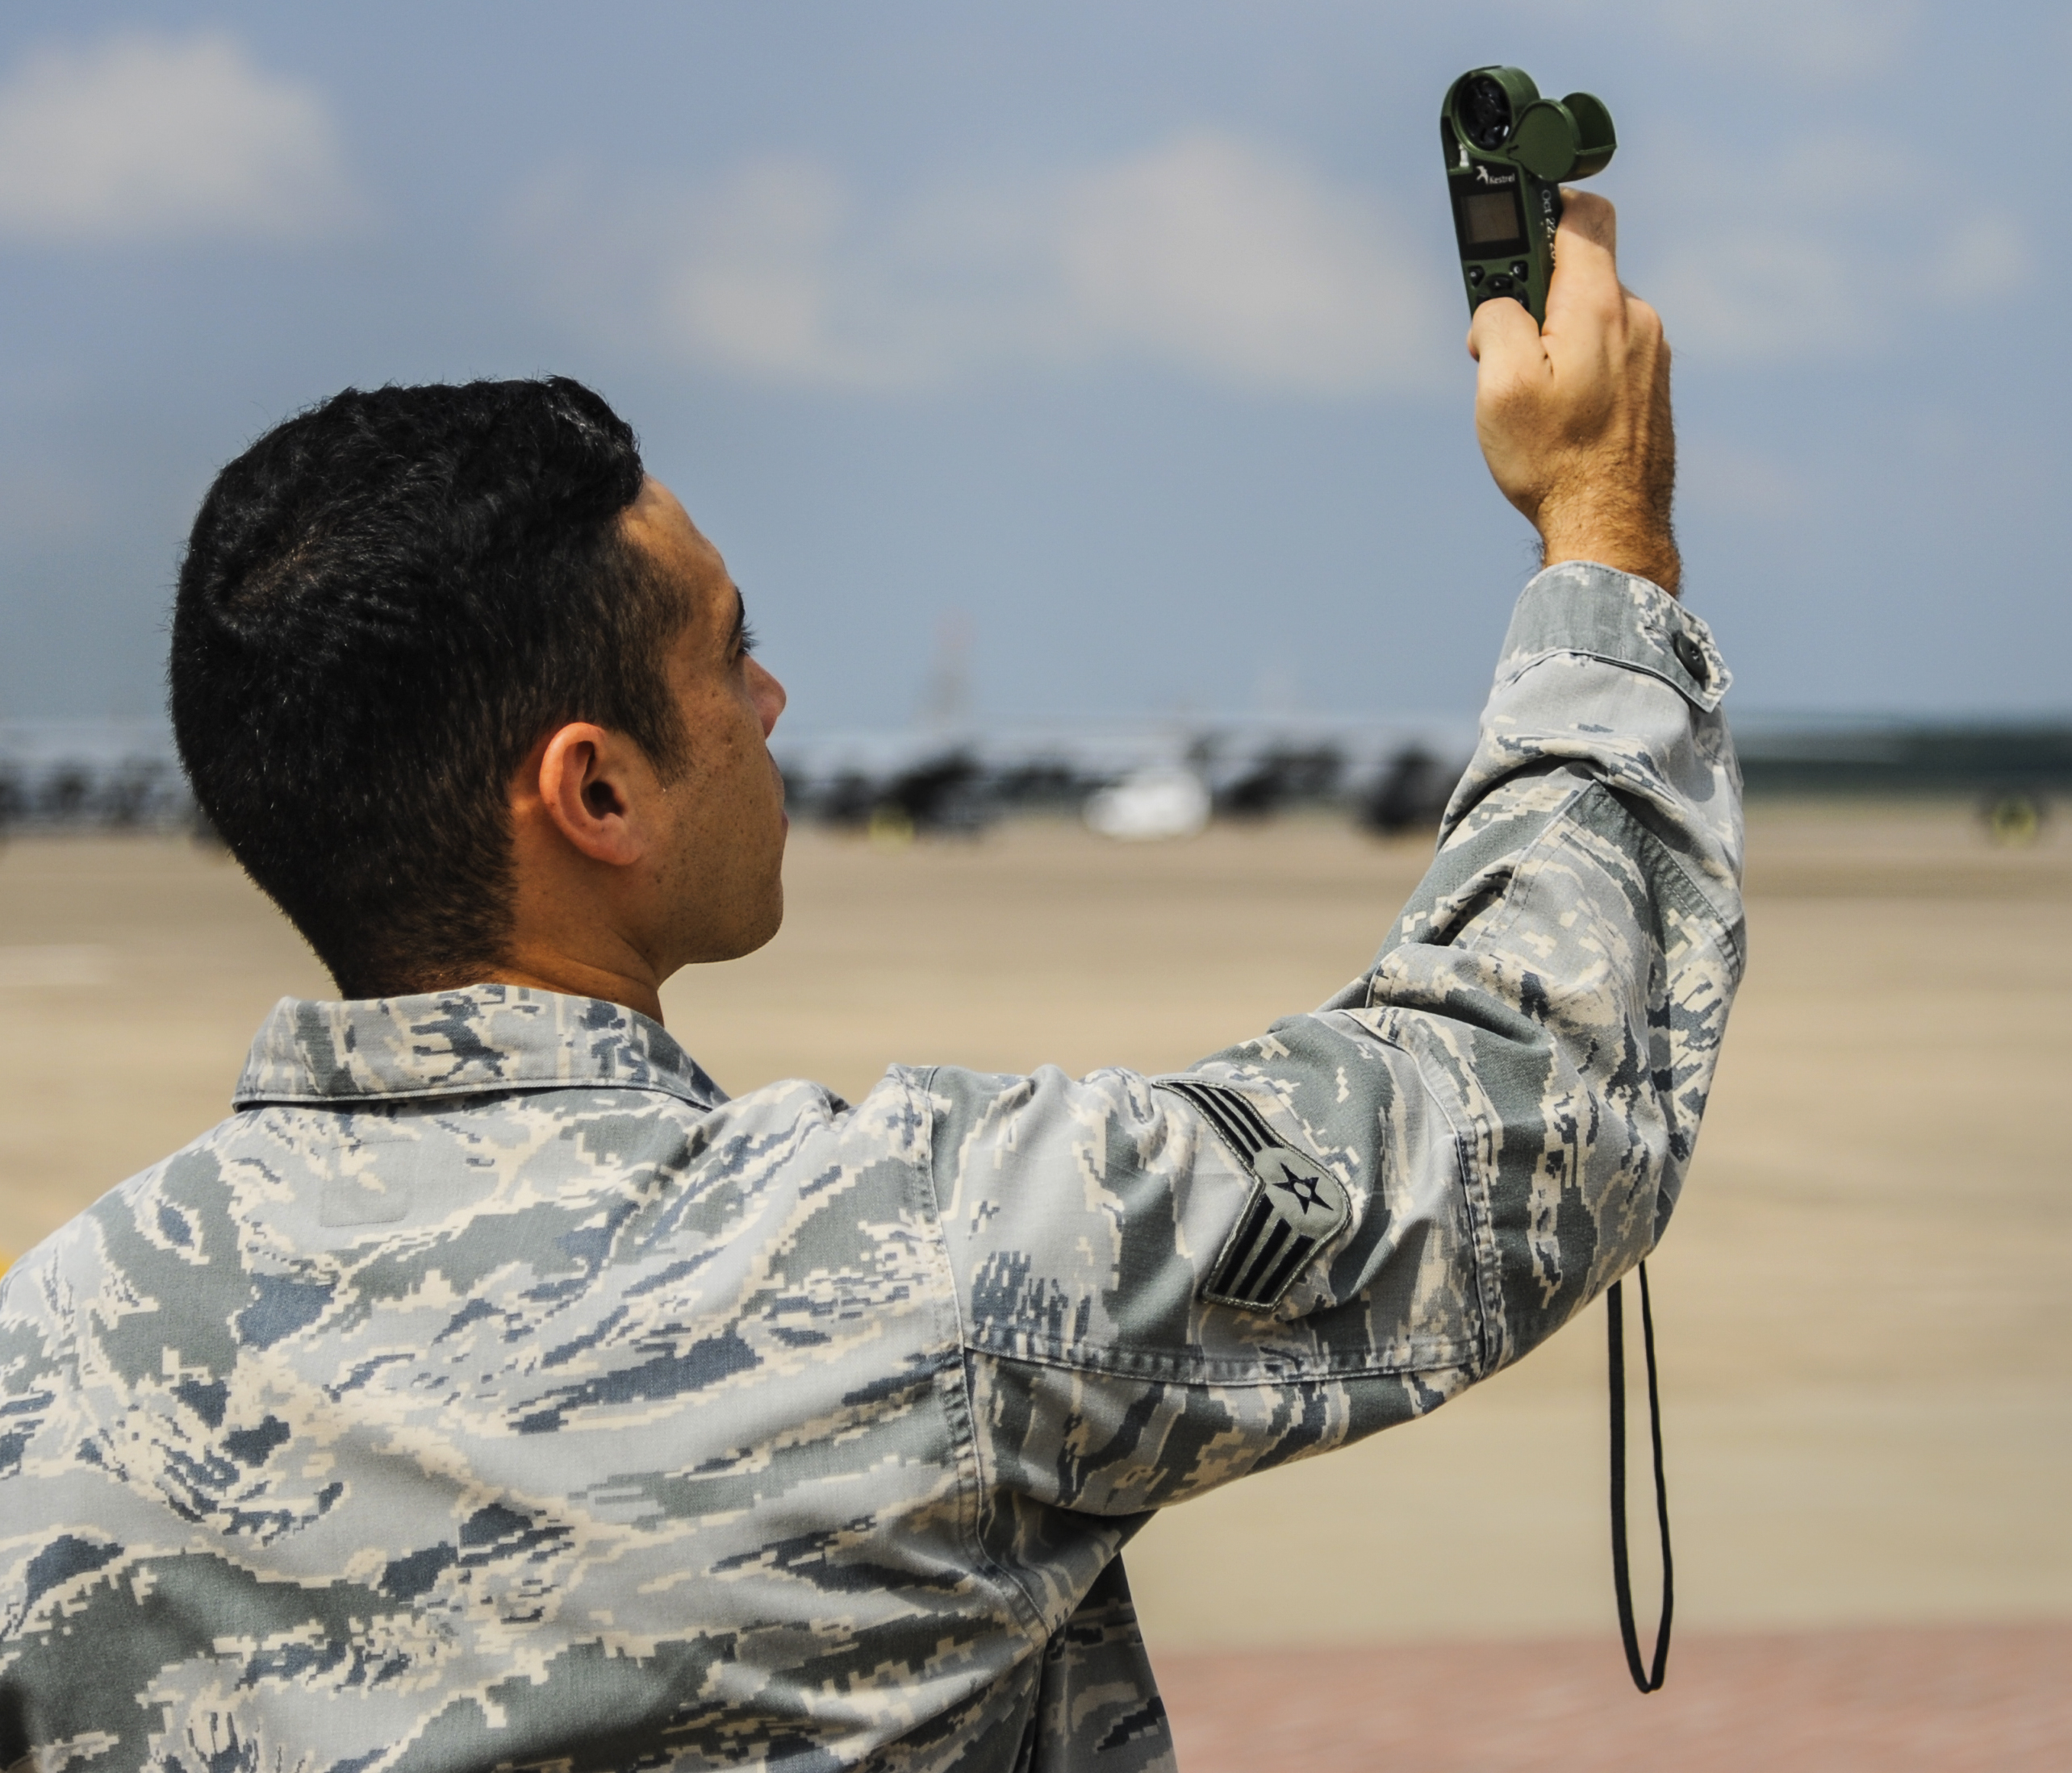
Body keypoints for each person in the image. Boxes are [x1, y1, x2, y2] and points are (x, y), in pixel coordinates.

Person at [0, 195, 1741, 1770]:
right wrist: (1603, 532)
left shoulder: (46, 1364)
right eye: (727, 650)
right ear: (594, 791)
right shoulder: (909, 1262)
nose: (770, 703)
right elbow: (1528, 1104)